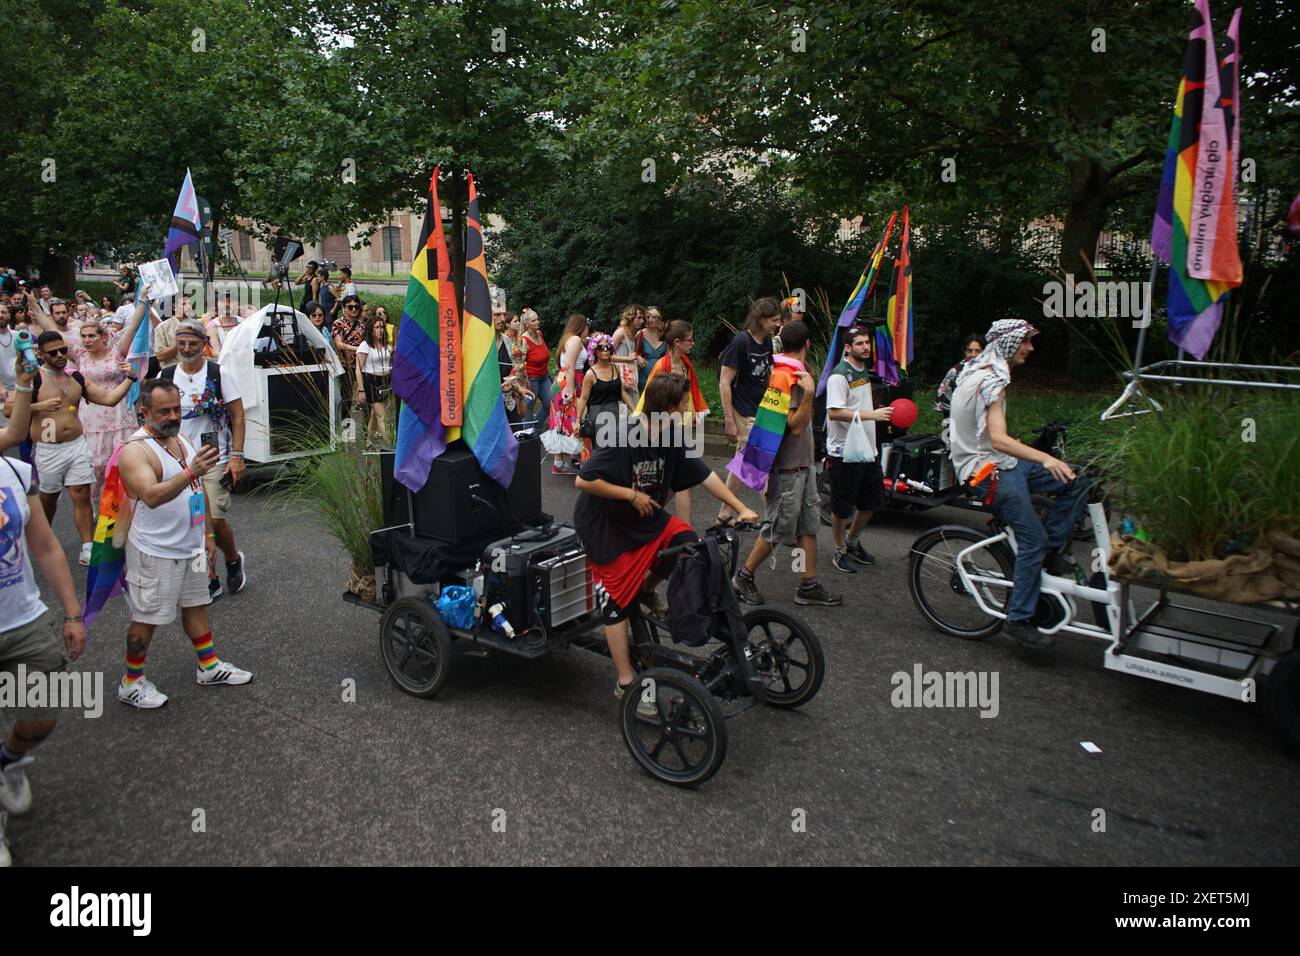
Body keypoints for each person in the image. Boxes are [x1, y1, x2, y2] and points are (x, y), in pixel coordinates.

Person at [573, 372, 757, 702]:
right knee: (616, 602)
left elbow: (705, 475)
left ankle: (646, 589)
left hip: (644, 518)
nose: (689, 408)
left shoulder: (672, 435)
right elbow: (584, 481)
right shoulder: (624, 435)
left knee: (689, 547)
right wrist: (629, 496)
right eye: (685, 403)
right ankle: (626, 679)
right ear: (670, 406)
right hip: (606, 525)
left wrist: (740, 507)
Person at [949, 319, 1090, 650]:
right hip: (986, 471)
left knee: (1077, 479)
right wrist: (1046, 458)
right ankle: (1019, 618)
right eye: (1025, 341)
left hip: (1003, 462)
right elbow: (998, 440)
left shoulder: (983, 369)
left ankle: (1051, 552)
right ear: (1009, 343)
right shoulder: (990, 378)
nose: (1031, 347)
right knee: (1032, 539)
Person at [115, 379, 253, 709]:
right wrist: (191, 473)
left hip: (190, 546)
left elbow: (199, 494)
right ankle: (131, 682)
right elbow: (151, 495)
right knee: (146, 618)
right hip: (154, 550)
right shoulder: (135, 451)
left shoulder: (181, 440)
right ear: (143, 411)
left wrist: (207, 537)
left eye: (177, 409)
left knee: (197, 604)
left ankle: (208, 666)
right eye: (164, 411)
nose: (173, 416)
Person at [0, 360, 87, 867]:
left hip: (22, 620)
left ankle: (9, 761)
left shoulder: (14, 471)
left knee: (43, 712)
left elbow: (47, 546)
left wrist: (72, 613)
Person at [732, 321, 841, 607]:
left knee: (807, 527)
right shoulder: (790, 377)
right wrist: (808, 395)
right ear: (808, 345)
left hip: (802, 465)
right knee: (777, 528)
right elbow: (793, 425)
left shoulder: (790, 373)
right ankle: (743, 577)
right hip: (788, 468)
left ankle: (807, 583)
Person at [29, 327, 138, 565]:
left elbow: (109, 400)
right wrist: (38, 407)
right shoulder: (34, 378)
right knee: (49, 498)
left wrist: (131, 378)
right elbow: (9, 410)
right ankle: (43, 539)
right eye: (52, 352)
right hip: (48, 448)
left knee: (80, 493)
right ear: (41, 353)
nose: (59, 355)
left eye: (62, 350)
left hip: (77, 445)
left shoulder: (76, 378)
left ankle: (87, 546)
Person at [160, 320, 248, 600]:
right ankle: (209, 578)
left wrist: (237, 456)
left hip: (213, 458)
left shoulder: (217, 373)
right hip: (178, 460)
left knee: (212, 518)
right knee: (191, 521)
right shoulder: (167, 376)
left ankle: (232, 558)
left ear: (203, 345)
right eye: (182, 344)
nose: (187, 349)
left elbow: (237, 415)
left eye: (193, 344)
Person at [823, 326, 893, 573]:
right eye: (860, 343)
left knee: (871, 501)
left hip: (867, 449)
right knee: (842, 506)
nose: (865, 347)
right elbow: (833, 412)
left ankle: (852, 542)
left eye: (867, 343)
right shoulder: (839, 376)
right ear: (847, 347)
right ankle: (839, 549)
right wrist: (870, 415)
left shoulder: (865, 371)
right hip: (844, 451)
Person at [635, 319, 708, 521]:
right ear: (677, 342)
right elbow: (650, 399)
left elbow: (689, 395)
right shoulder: (661, 366)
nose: (692, 344)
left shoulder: (686, 364)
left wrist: (692, 415)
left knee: (680, 479)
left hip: (680, 427)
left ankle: (655, 515)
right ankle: (654, 516)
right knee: (675, 479)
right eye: (690, 340)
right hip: (665, 429)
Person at [717, 297, 778, 522]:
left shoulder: (767, 342)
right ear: (760, 319)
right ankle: (773, 518)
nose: (777, 324)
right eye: (773, 320)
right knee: (759, 463)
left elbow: (768, 374)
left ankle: (724, 512)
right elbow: (724, 382)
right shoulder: (741, 342)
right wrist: (729, 419)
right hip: (742, 409)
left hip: (760, 408)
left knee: (743, 461)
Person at [75, 315, 144, 503]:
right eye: (84, 336)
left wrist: (144, 299)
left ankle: (121, 504)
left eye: (91, 336)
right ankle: (93, 504)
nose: (87, 340)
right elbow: (52, 329)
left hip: (118, 412)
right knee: (94, 463)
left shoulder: (117, 352)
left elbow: (133, 326)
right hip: (90, 415)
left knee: (122, 461)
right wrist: (33, 303)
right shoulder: (79, 355)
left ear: (104, 337)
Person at [544, 313, 590, 475]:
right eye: (586, 327)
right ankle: (582, 462)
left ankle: (559, 463)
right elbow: (570, 366)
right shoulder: (575, 340)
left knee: (560, 422)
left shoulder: (568, 339)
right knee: (576, 419)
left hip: (563, 380)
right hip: (571, 381)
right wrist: (570, 389)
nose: (587, 330)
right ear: (581, 327)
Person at [575, 333, 636, 451]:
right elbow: (583, 398)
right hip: (598, 415)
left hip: (616, 412)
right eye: (601, 348)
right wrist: (578, 420)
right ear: (595, 351)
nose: (605, 350)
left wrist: (634, 410)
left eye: (608, 347)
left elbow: (622, 391)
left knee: (618, 447)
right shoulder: (590, 374)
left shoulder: (616, 368)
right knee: (602, 450)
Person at [354, 315, 392, 447]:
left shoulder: (386, 345)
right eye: (377, 327)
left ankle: (368, 441)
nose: (380, 330)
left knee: (375, 415)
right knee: (382, 416)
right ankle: (392, 446)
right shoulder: (365, 346)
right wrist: (361, 389)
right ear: (371, 330)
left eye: (382, 327)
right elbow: (358, 369)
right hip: (371, 381)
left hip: (386, 380)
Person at [934, 332, 985, 416]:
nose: (973, 355)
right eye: (969, 351)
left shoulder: (991, 372)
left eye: (978, 351)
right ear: (964, 351)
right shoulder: (954, 372)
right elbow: (944, 403)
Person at [519, 309, 551, 431]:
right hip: (532, 378)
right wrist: (524, 383)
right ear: (527, 324)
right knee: (529, 406)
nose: (537, 322)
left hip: (544, 376)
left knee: (549, 404)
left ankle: (536, 428)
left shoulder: (540, 334)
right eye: (534, 320)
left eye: (538, 319)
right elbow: (520, 364)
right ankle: (527, 434)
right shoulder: (524, 340)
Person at [610, 305, 644, 398]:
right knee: (623, 409)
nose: (642, 321)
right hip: (621, 376)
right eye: (639, 318)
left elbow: (630, 353)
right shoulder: (620, 332)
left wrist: (637, 357)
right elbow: (607, 355)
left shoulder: (634, 334)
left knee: (633, 406)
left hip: (630, 376)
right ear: (630, 317)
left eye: (642, 318)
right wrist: (627, 358)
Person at [636, 306, 667, 393]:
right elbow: (634, 352)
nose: (650, 320)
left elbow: (669, 355)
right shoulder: (640, 334)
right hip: (644, 372)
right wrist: (638, 357)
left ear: (659, 319)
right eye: (648, 317)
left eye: (654, 317)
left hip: (661, 374)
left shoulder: (664, 334)